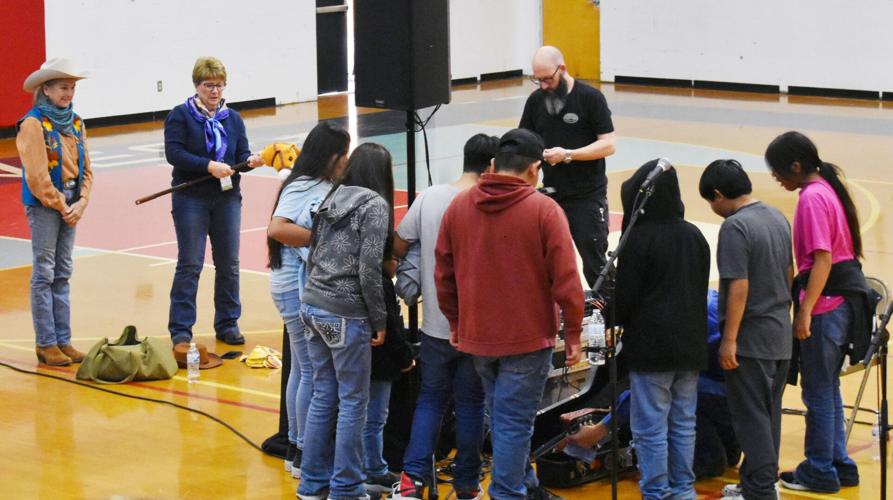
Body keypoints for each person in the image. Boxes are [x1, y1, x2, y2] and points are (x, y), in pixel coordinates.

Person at [435, 128, 584, 500]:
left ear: (492, 165)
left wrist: (455, 322)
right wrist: (575, 335)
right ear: (535, 169)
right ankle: (507, 492)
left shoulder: (459, 206)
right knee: (514, 423)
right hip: (527, 338)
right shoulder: (544, 210)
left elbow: (444, 274)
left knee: (503, 418)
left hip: (478, 337)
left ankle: (524, 486)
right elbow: (567, 280)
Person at [390, 134, 498, 500]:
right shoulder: (489, 203)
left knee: (431, 400)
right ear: (492, 166)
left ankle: (411, 480)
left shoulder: (431, 197)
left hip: (435, 325)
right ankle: (467, 484)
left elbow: (399, 244)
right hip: (477, 329)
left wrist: (416, 271)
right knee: (472, 403)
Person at [765, 131, 873, 494]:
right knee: (827, 389)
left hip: (828, 305)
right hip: (843, 303)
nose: (776, 178)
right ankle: (839, 463)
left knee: (818, 392)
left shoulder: (812, 199)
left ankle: (820, 470)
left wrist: (805, 311)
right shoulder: (826, 188)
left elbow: (822, 259)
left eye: (778, 170)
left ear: (795, 166)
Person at [297, 142, 393, 500]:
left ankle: (311, 484)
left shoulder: (331, 197)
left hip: (312, 305)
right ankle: (347, 487)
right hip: (345, 312)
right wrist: (379, 317)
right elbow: (368, 269)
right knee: (354, 401)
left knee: (324, 394)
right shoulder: (374, 205)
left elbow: (313, 254)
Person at [565, 291, 741, 481]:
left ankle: (705, 461)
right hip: (745, 390)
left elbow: (652, 387)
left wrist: (600, 429)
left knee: (673, 391)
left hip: (725, 392)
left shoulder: (669, 326)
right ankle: (722, 447)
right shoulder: (700, 296)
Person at [698, 159, 793, 500]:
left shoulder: (735, 227)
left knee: (751, 418)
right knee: (769, 415)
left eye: (712, 201)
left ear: (719, 194)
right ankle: (754, 483)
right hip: (780, 334)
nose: (714, 209)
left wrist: (730, 339)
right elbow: (789, 273)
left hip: (750, 340)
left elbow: (738, 286)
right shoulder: (776, 216)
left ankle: (762, 490)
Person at [614, 160, 710, 500]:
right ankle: (683, 489)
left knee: (650, 427)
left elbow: (624, 299)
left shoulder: (639, 238)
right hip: (691, 346)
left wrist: (609, 313)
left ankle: (656, 491)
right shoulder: (694, 235)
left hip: (652, 349)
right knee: (683, 422)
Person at [266, 122, 351, 477]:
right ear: (331, 156)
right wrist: (322, 238)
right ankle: (302, 449)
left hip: (296, 282)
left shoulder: (319, 184)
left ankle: (296, 447)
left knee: (302, 368)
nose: (346, 161)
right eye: (343, 154)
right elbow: (278, 228)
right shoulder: (303, 185)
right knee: (312, 370)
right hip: (292, 285)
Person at [164, 56, 263, 348]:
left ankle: (228, 323)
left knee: (229, 264)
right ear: (197, 85)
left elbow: (240, 156)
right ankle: (181, 330)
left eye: (219, 86)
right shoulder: (180, 115)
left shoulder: (232, 118)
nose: (215, 91)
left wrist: (250, 161)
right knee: (190, 264)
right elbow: (174, 154)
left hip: (227, 198)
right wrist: (208, 165)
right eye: (209, 85)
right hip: (190, 198)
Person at [348, 144, 416, 495]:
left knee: (351, 405)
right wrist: (400, 348)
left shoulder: (339, 202)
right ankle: (371, 468)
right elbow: (374, 274)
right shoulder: (375, 209)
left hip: (337, 312)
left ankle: (356, 469)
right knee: (374, 411)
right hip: (368, 316)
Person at [16, 58, 93, 366]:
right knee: (44, 272)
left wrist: (82, 202)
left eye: (72, 87)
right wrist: (63, 206)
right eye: (63, 87)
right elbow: (37, 177)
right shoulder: (33, 124)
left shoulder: (76, 122)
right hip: (47, 206)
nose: (69, 93)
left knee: (63, 272)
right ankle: (46, 342)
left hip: (70, 204)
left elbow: (87, 168)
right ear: (45, 89)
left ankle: (63, 340)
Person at [519, 45, 616, 287]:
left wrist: (568, 155)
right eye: (537, 80)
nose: (543, 86)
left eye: (547, 79)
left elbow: (608, 145)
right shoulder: (535, 101)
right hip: (550, 195)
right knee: (546, 261)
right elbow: (524, 140)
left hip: (587, 197)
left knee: (594, 261)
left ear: (562, 69)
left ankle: (610, 314)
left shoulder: (590, 98)